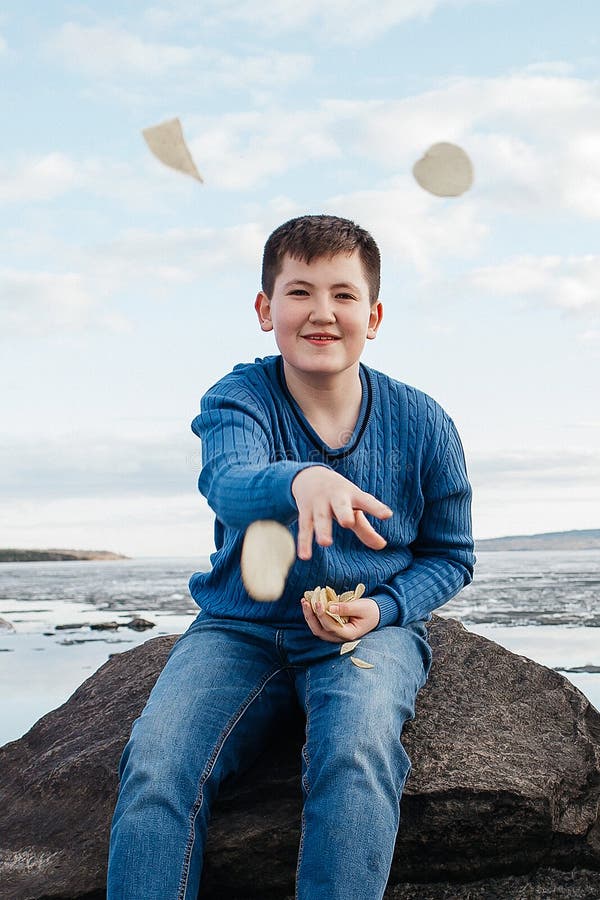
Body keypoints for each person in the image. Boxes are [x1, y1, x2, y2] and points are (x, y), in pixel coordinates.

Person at [106, 214, 475, 899]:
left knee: (357, 754)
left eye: (343, 294)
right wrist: (302, 480)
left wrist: (385, 608)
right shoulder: (239, 398)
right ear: (264, 308)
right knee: (157, 764)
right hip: (238, 629)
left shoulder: (424, 421)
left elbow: (451, 556)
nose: (322, 314)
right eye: (300, 292)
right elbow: (229, 483)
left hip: (365, 633)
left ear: (375, 313)